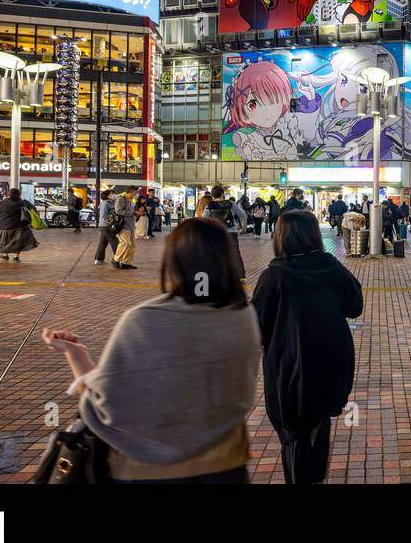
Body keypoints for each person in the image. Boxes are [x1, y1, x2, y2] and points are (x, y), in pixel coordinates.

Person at [42, 218, 260, 483]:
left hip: (148, 473)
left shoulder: (144, 319)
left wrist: (75, 355)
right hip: (228, 467)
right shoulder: (243, 315)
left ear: (174, 261)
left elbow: (107, 406)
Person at [252, 210, 364, 483]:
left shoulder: (273, 277)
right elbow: (354, 306)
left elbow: (255, 329)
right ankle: (315, 475)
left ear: (281, 236)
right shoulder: (331, 267)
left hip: (290, 369)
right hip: (331, 363)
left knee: (293, 435)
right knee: (318, 421)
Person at [0, 186, 38, 263]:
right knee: (18, 242)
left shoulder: (1, 203)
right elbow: (33, 208)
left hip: (4, 227)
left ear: (8, 194)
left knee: (5, 241)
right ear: (19, 195)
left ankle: (5, 254)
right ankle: (16, 257)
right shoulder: (23, 202)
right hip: (20, 227)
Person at [203, 185, 247, 279]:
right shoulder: (231, 203)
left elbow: (204, 220)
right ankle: (241, 276)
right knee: (235, 253)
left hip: (216, 232)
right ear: (223, 193)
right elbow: (242, 215)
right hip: (231, 232)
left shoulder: (209, 205)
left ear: (213, 194)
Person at [111, 187, 138, 270]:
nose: (135, 195)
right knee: (125, 243)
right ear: (130, 192)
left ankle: (126, 262)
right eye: (134, 193)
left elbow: (130, 212)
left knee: (132, 245)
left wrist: (136, 214)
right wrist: (132, 213)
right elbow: (118, 211)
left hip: (131, 226)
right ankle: (115, 259)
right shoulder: (121, 199)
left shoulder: (130, 200)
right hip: (124, 226)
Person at [94, 189, 119, 265]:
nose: (114, 195)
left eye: (114, 193)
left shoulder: (111, 203)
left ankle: (98, 260)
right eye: (111, 193)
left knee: (103, 243)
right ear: (107, 195)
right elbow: (104, 215)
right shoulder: (105, 203)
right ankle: (117, 259)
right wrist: (111, 223)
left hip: (104, 225)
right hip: (106, 226)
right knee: (115, 242)